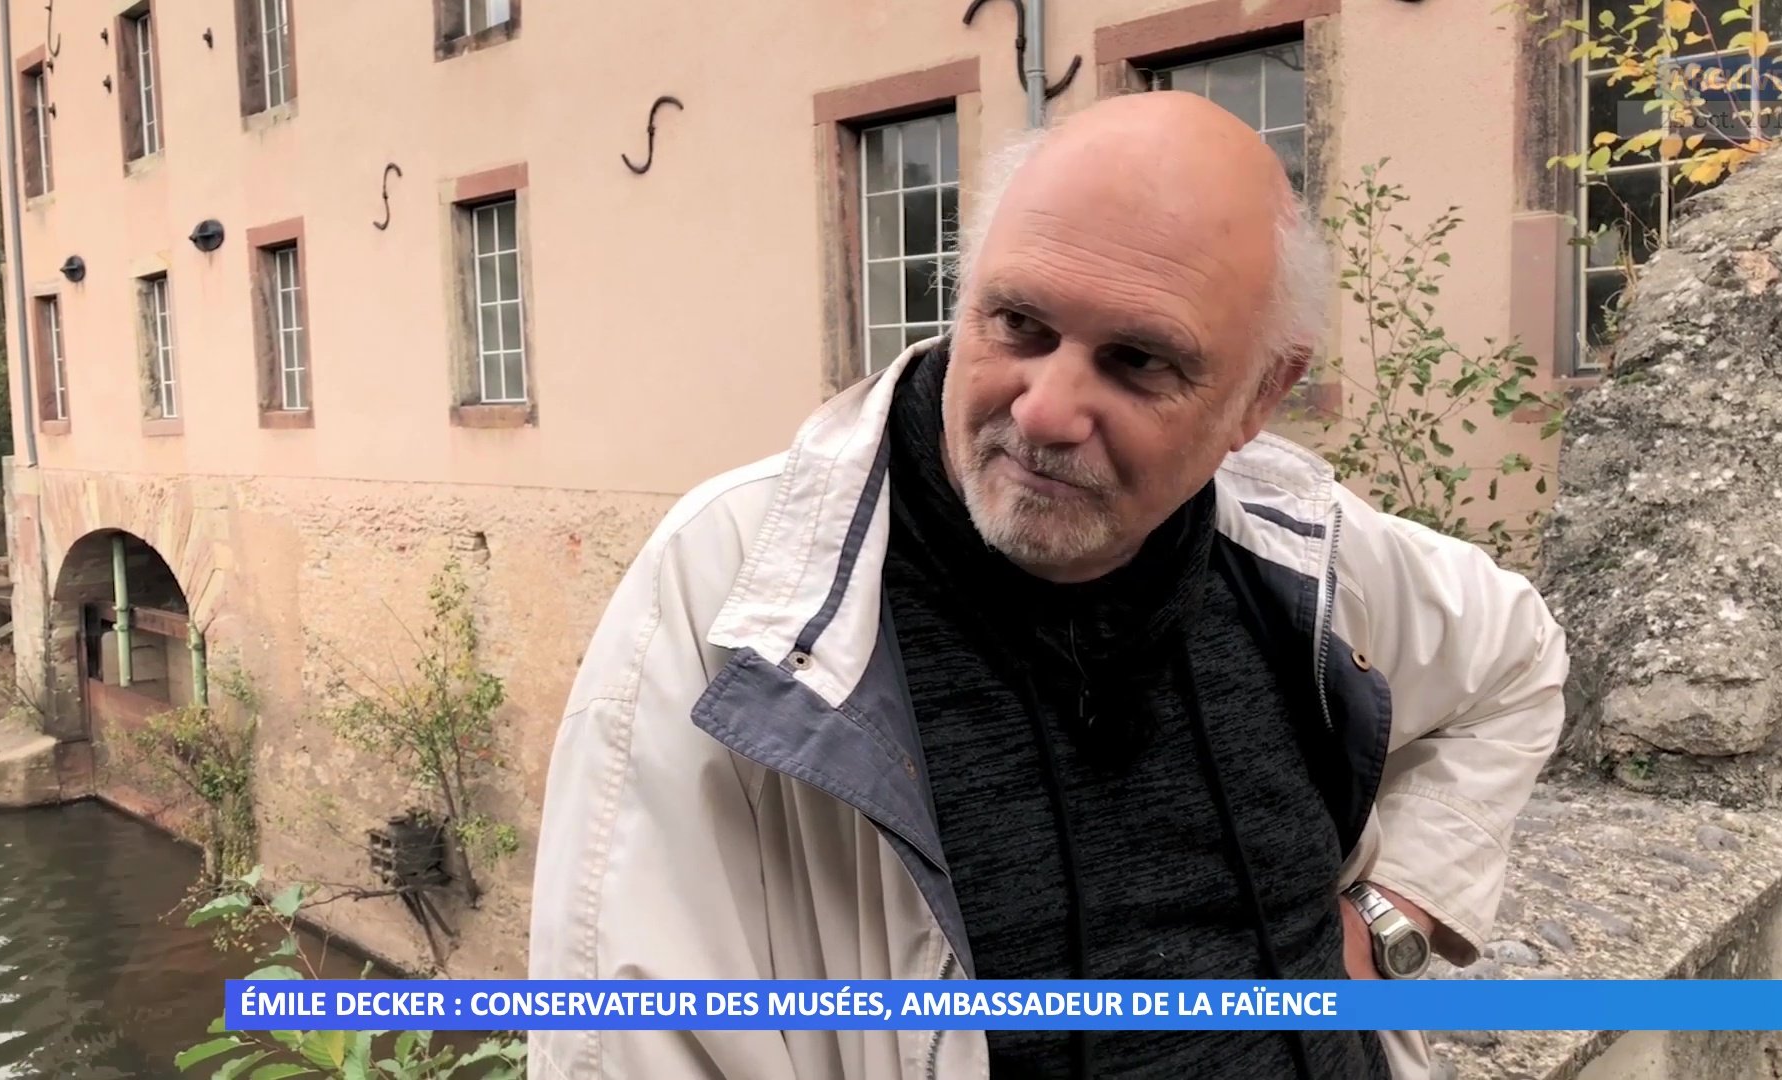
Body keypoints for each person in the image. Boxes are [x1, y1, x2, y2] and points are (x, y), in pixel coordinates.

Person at [529, 91, 1568, 1080]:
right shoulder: (732, 594)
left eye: (1137, 361)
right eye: (1018, 325)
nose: (1045, 411)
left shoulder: (1288, 543)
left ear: (1262, 395)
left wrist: (1389, 923)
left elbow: (1516, 659)